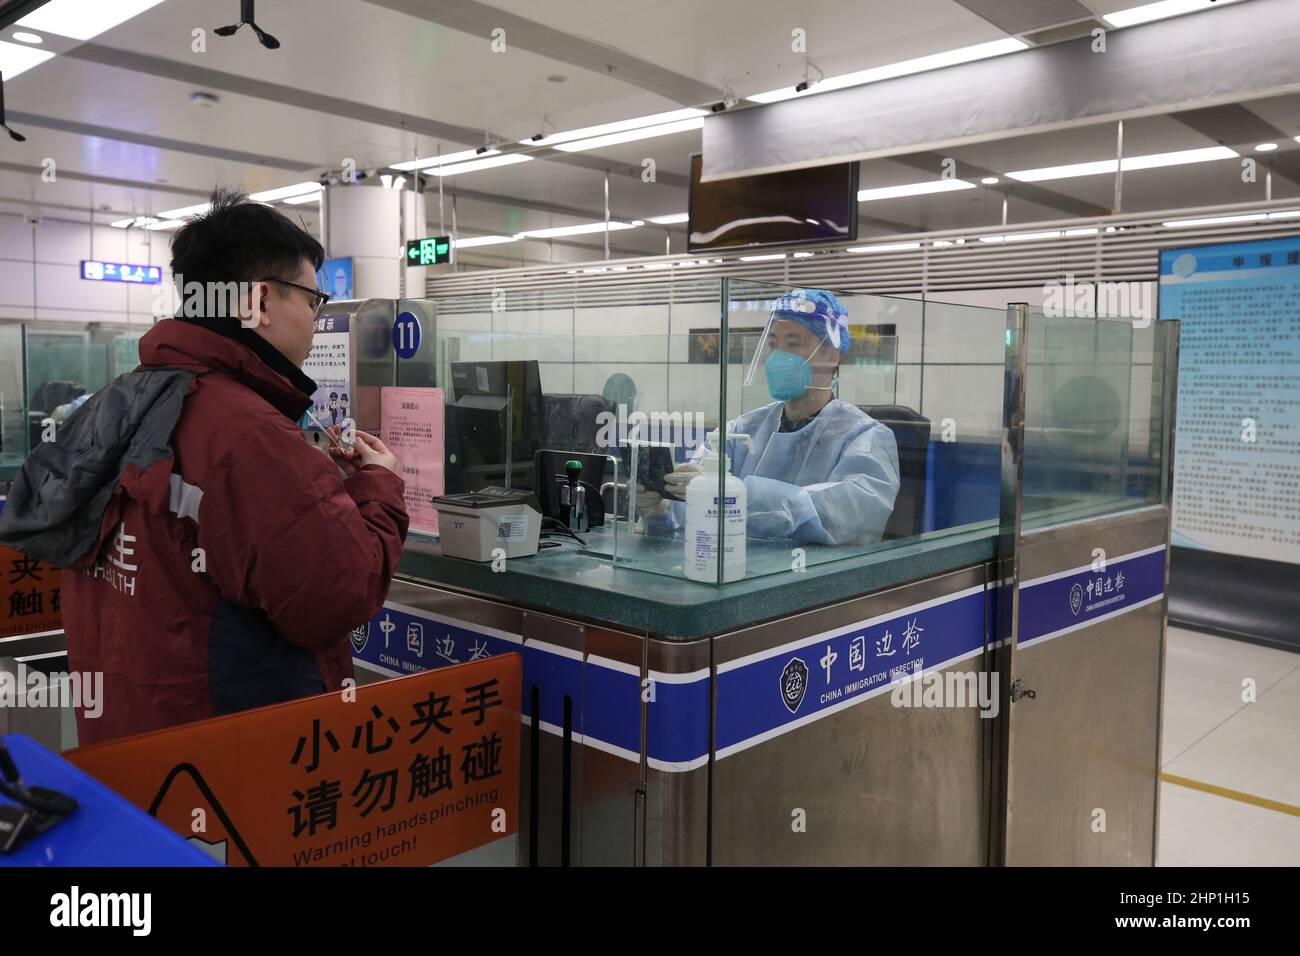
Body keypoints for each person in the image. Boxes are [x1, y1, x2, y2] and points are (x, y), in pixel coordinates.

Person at [0, 189, 409, 744]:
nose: (317, 321)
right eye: (314, 300)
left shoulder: (120, 401)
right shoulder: (251, 437)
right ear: (262, 300)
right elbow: (334, 597)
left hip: (126, 741)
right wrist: (376, 486)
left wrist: (308, 486)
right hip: (230, 765)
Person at [644, 289, 900, 546]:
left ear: (832, 355)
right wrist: (662, 508)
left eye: (793, 343)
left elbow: (851, 514)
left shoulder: (865, 438)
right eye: (773, 344)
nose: (778, 357)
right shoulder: (740, 431)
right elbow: (689, 522)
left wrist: (737, 497)